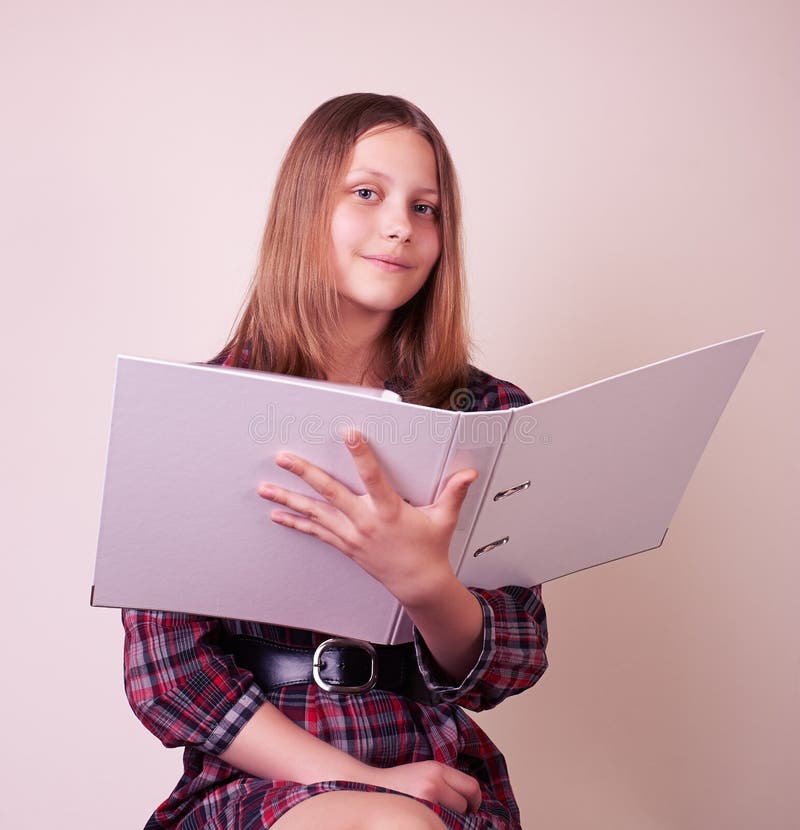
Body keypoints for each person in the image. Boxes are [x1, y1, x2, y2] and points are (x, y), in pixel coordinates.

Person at [122, 93, 548, 830]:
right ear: (303, 209)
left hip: (441, 768)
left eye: (427, 209)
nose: (398, 226)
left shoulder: (489, 414)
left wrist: (425, 584)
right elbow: (170, 677)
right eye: (367, 194)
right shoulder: (188, 410)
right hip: (259, 781)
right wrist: (368, 785)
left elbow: (515, 658)